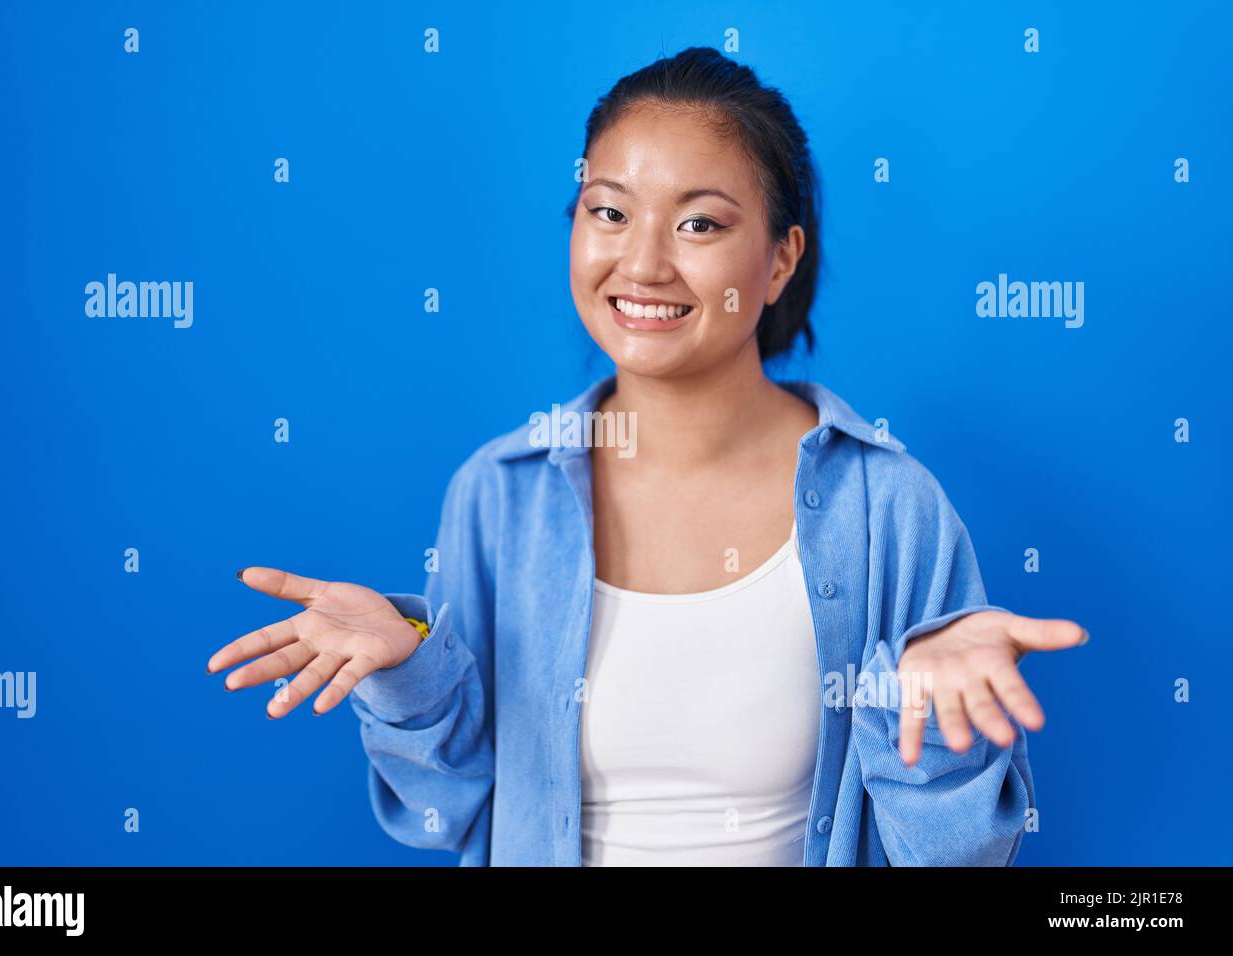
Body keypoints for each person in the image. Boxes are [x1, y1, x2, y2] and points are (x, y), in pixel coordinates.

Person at [206, 47, 1087, 866]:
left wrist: (931, 725)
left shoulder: (889, 506)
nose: (643, 261)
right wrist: (406, 669)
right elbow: (444, 813)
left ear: (781, 259)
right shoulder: (498, 496)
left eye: (700, 224)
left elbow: (957, 856)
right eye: (609, 212)